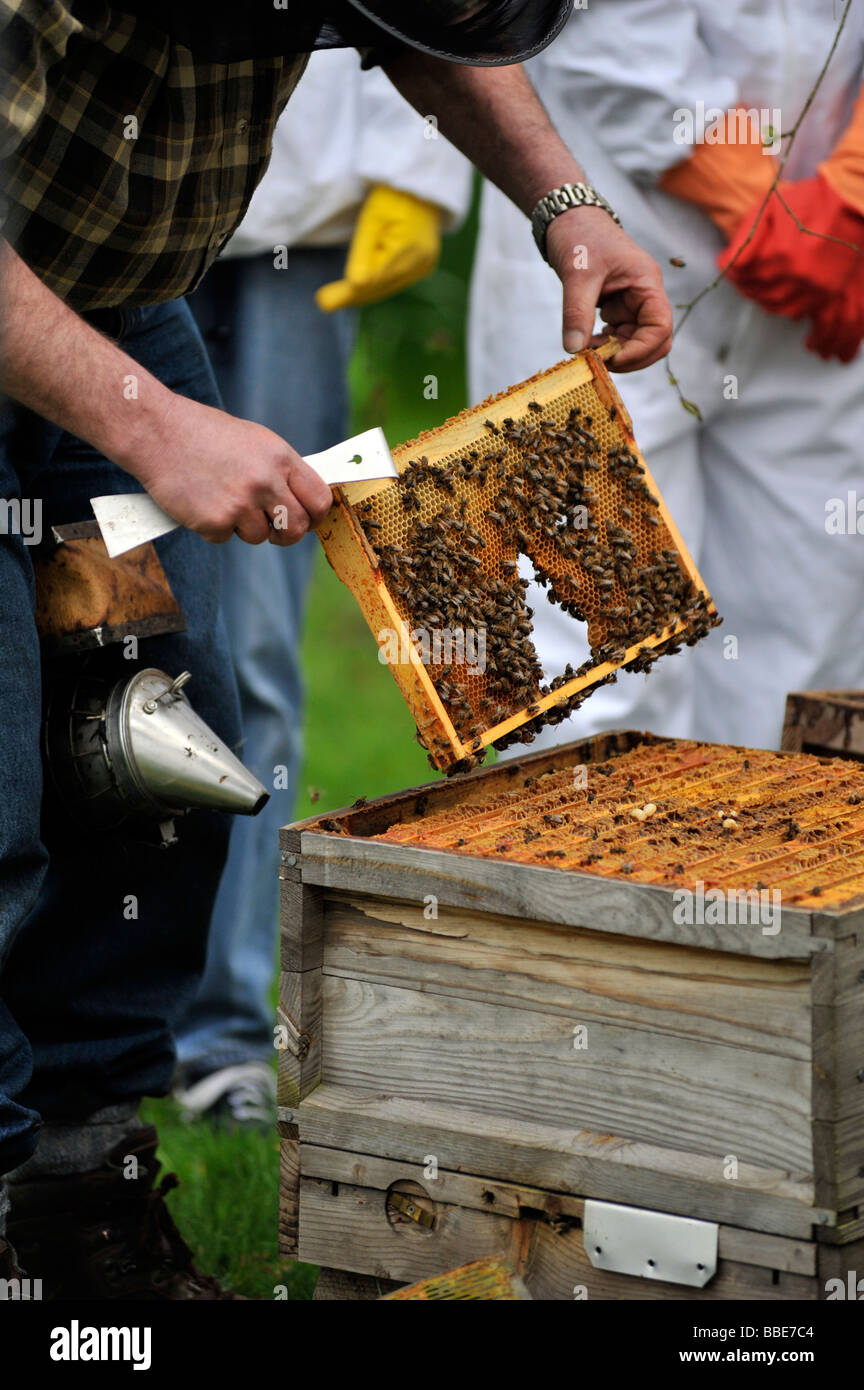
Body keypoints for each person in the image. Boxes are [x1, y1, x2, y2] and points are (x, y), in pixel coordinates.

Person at [0, 0, 672, 1298]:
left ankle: (79, 1200)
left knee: (159, 764)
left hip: (112, 297)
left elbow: (410, 17)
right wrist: (155, 428)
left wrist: (565, 202)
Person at [175, 50, 472, 1126]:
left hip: (305, 218)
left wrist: (415, 166)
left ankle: (222, 1032)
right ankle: (84, 1023)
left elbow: (426, 16)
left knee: (255, 636)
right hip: (113, 225)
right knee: (100, 612)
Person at [469, 0, 864, 753]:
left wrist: (850, 198)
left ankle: (761, 873)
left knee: (811, 657)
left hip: (829, 266)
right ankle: (594, 873)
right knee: (592, 669)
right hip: (607, 236)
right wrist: (757, 206)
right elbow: (599, 25)